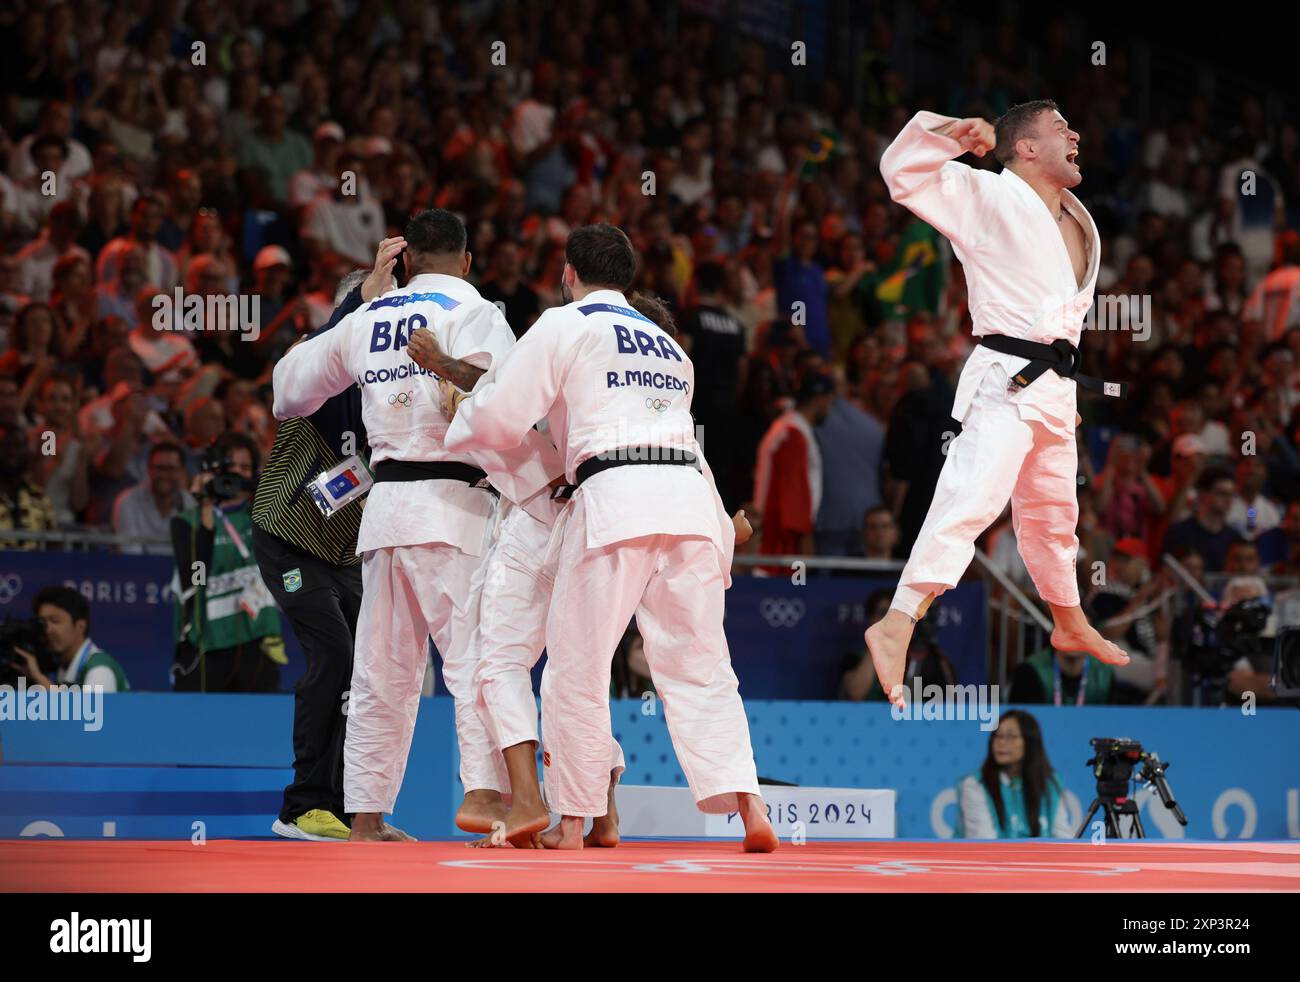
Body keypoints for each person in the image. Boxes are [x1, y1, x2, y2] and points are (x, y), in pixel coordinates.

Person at [442, 223, 777, 852]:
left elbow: (501, 415)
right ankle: (749, 802)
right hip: (689, 498)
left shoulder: (564, 324)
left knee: (578, 666)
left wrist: (458, 423)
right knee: (701, 666)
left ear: (569, 274)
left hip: (615, 498)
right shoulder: (669, 345)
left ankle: (573, 820)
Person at [271, 210, 553, 842]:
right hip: (455, 506)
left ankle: (366, 818)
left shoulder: (370, 317)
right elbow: (509, 408)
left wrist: (361, 302)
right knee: (476, 662)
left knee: (380, 670)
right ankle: (489, 801)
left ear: (403, 259)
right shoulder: (477, 312)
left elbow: (287, 389)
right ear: (466, 260)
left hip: (384, 512)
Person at [865, 101, 1129, 705]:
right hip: (1006, 376)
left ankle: (1066, 618)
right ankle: (898, 619)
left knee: (1053, 514)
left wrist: (1063, 388)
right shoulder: (989, 196)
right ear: (1027, 148)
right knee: (973, 495)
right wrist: (953, 135)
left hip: (1055, 387)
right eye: (1062, 127)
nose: (1077, 132)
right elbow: (900, 171)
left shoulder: (1078, 218)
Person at [255, 260, 378, 843]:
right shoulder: (313, 359)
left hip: (342, 553)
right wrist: (365, 294)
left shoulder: (386, 383)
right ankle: (301, 806)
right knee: (333, 652)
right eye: (374, 302)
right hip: (290, 539)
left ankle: (353, 812)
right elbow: (341, 332)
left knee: (365, 668)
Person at [170, 432, 284, 693]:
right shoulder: (186, 522)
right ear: (214, 469)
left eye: (247, 468)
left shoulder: (263, 516)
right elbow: (197, 572)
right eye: (233, 467)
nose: (240, 475)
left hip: (258, 642)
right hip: (207, 644)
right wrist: (206, 505)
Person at [955, 710, 1071, 838]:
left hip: (1038, 858)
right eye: (997, 736)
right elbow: (984, 845)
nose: (1001, 742)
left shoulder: (1051, 784)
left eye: (1011, 736)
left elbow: (1063, 838)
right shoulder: (975, 784)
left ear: (1030, 742)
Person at [11, 586, 129, 692]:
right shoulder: (62, 668)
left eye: (55, 621)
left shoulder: (99, 670)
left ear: (80, 626)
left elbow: (90, 713)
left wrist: (39, 678)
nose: (47, 629)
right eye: (42, 623)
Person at [112, 442, 194, 555]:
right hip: (140, 571)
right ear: (148, 469)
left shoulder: (191, 504)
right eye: (159, 468)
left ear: (182, 471)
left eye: (171, 468)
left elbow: (194, 553)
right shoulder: (127, 501)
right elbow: (130, 553)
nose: (164, 475)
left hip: (179, 571)